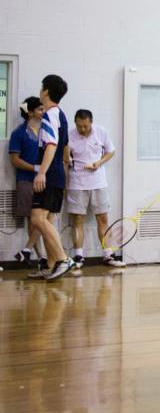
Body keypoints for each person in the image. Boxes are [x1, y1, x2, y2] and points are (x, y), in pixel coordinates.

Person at [29, 75, 75, 281]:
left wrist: (41, 173)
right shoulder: (61, 115)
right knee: (46, 220)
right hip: (56, 174)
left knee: (37, 218)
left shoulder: (50, 115)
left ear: (46, 91)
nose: (40, 90)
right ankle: (50, 265)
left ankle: (63, 259)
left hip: (49, 174)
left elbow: (51, 145)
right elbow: (64, 147)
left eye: (42, 87)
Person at [65, 109, 122, 268]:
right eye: (79, 126)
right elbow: (65, 160)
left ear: (91, 122)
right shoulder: (69, 136)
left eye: (85, 126)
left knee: (103, 219)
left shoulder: (101, 131)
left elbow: (111, 151)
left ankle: (108, 255)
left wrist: (99, 162)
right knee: (78, 220)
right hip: (77, 183)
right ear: (75, 123)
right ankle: (78, 256)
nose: (82, 129)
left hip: (98, 182)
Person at [8, 97, 46, 269]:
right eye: (40, 109)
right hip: (25, 181)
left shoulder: (46, 131)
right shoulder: (18, 133)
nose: (43, 112)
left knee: (42, 218)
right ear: (30, 112)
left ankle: (28, 251)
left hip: (44, 181)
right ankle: (40, 257)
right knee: (33, 221)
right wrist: (35, 168)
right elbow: (14, 160)